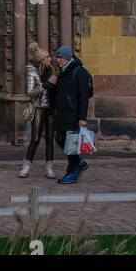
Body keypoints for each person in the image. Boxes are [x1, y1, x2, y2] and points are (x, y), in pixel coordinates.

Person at [52, 45, 94, 185]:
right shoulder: (64, 71)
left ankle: (72, 172)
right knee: (60, 138)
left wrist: (82, 118)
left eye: (59, 58)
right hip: (63, 113)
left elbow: (84, 96)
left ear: (66, 58)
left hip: (74, 115)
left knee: (70, 143)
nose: (57, 60)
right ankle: (79, 163)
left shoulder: (79, 72)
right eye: (57, 57)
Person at [19, 43, 55, 180]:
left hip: (51, 107)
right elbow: (30, 93)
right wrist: (46, 85)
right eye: (47, 57)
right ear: (41, 60)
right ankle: (26, 166)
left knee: (50, 138)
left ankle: (49, 167)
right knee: (35, 137)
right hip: (39, 107)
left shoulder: (52, 70)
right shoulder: (32, 71)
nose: (50, 59)